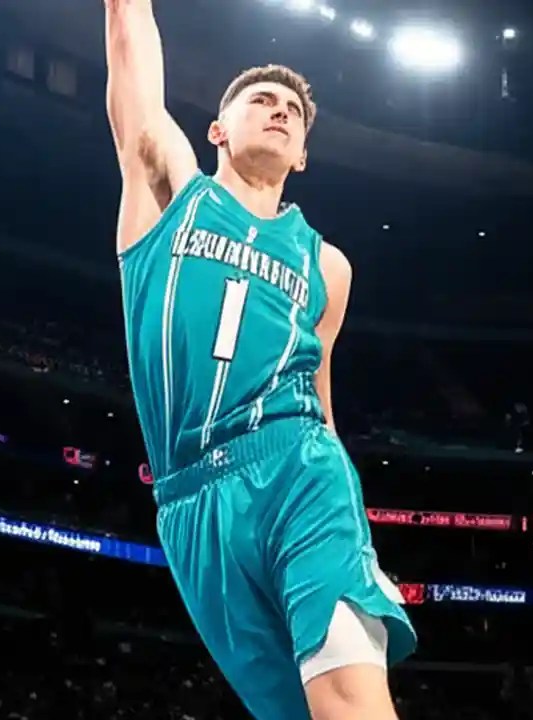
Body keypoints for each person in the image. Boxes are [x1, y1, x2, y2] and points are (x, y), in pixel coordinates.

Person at [104, 1, 416, 718]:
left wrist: (354, 526)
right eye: (260, 100)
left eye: (292, 112)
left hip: (301, 469)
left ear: (303, 155)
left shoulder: (326, 265)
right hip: (191, 501)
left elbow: (322, 400)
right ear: (216, 129)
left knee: (348, 702)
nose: (279, 111)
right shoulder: (168, 190)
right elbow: (129, 45)